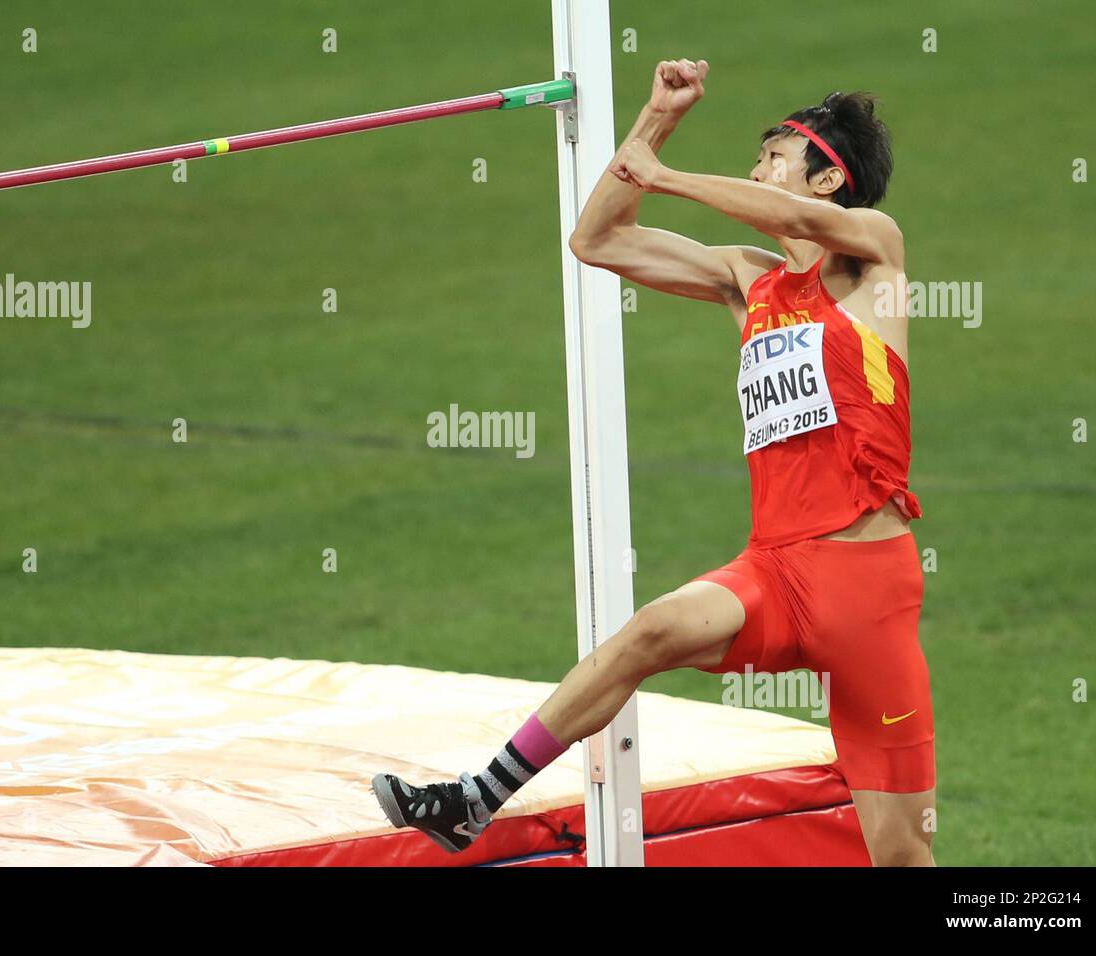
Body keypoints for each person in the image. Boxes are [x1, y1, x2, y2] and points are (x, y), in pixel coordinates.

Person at [371, 58, 936, 867]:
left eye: (773, 156)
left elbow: (785, 215)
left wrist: (667, 175)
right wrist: (655, 122)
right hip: (775, 572)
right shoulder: (748, 282)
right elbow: (595, 238)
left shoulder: (873, 257)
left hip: (868, 586)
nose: (756, 171)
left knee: (904, 858)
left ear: (826, 177)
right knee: (651, 630)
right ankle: (474, 800)